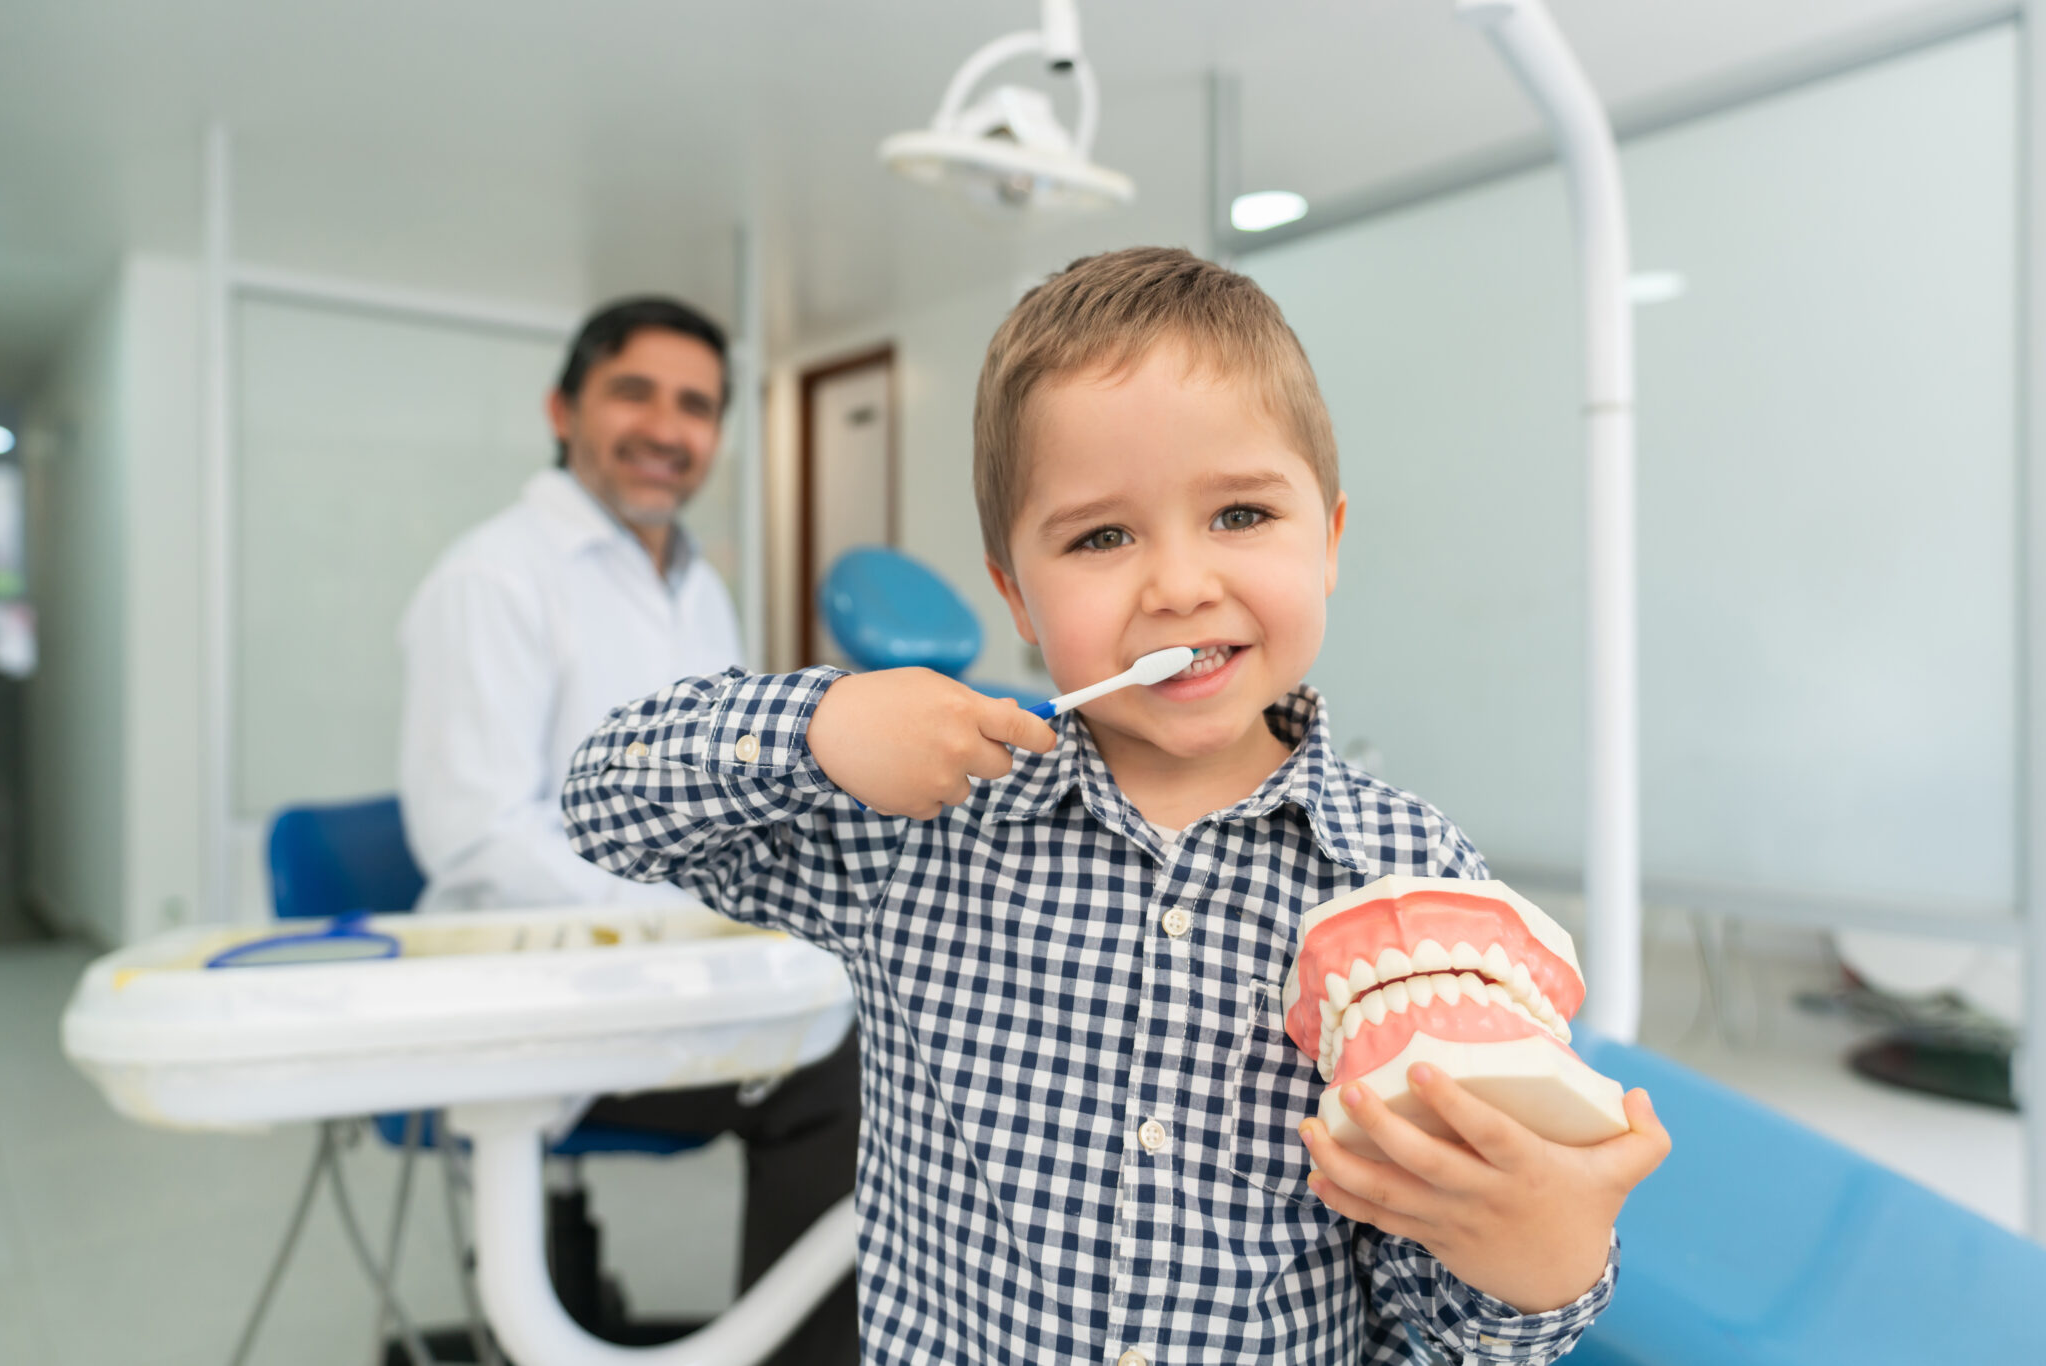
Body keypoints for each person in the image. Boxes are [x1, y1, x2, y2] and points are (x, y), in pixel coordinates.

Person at [559, 250, 1670, 1363]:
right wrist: (822, 724)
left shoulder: (1411, 876)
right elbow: (604, 799)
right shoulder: (923, 821)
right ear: (1016, 595)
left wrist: (1535, 1266)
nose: (1179, 584)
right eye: (1100, 536)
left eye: (1239, 513)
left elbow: (1437, 1326)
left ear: (1325, 541)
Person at [398, 296, 857, 1365]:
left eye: (695, 405)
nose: (667, 427)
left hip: (666, 975)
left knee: (882, 1008)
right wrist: (691, 909)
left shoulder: (693, 585)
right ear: (563, 409)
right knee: (847, 1068)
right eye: (634, 392)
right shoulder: (494, 579)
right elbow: (475, 838)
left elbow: (717, 792)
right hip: (535, 993)